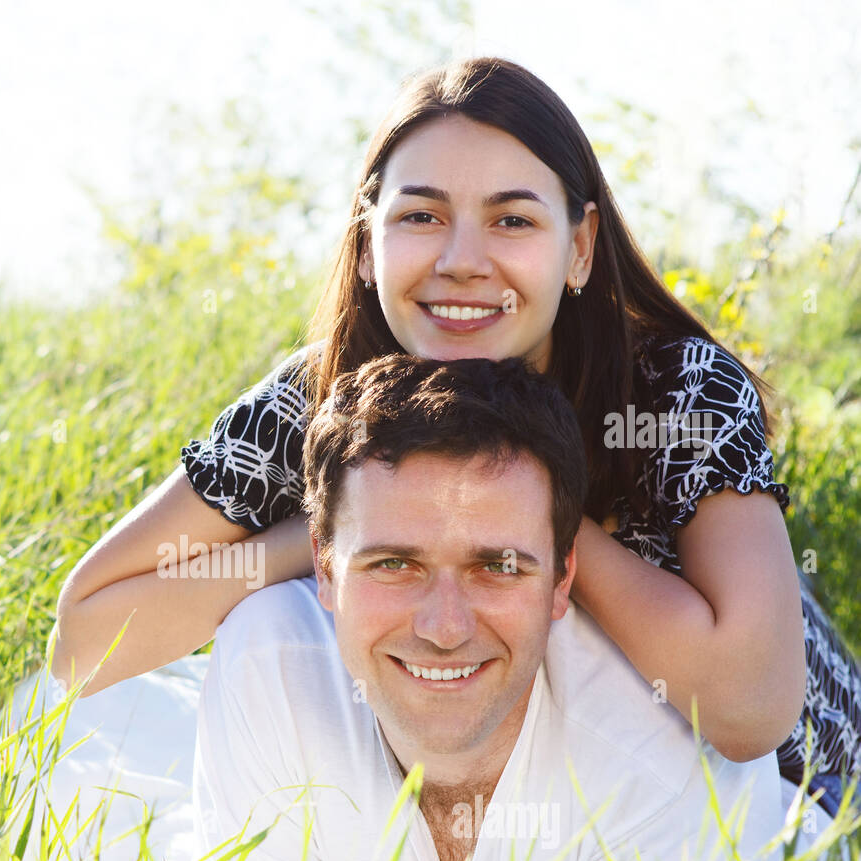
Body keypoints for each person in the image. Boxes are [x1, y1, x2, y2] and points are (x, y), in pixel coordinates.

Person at [48, 56, 860, 814]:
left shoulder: (672, 388)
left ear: (578, 248)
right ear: (368, 245)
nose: (463, 260)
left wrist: (530, 513)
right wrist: (326, 535)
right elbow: (84, 639)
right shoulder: (319, 397)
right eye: (422, 215)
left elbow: (750, 707)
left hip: (769, 816)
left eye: (511, 220)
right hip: (477, 805)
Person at [190, 352, 820, 861]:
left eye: (497, 566)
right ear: (324, 566)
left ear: (562, 578)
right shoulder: (272, 663)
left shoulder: (670, 751)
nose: (444, 626)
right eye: (394, 564)